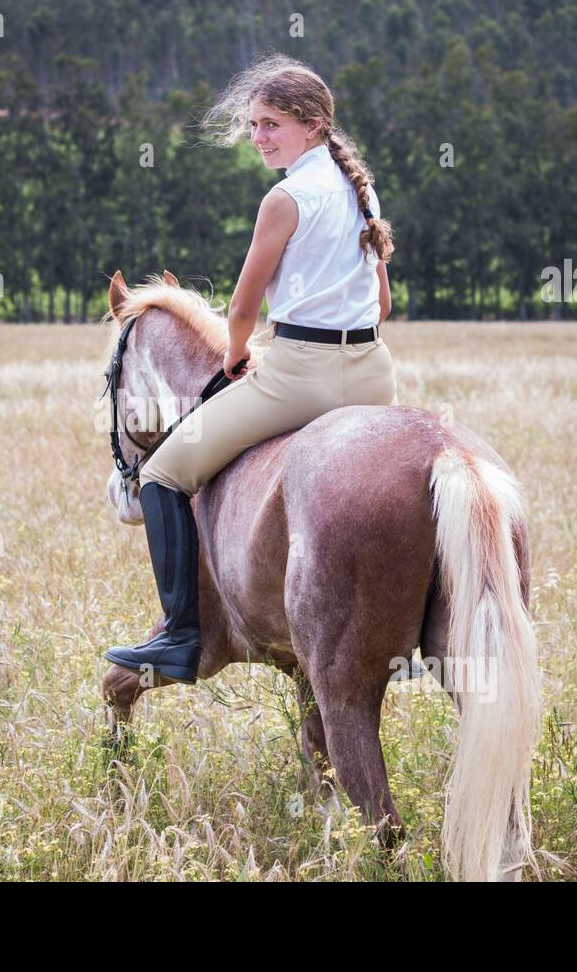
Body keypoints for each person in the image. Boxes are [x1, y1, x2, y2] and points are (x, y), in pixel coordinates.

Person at [104, 53, 399, 685]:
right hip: (375, 373)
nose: (258, 137)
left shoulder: (284, 198)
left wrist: (237, 352)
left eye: (271, 124)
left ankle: (179, 636)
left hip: (298, 377)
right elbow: (383, 304)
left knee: (163, 473)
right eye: (254, 125)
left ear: (313, 125)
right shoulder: (362, 190)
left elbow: (242, 307)